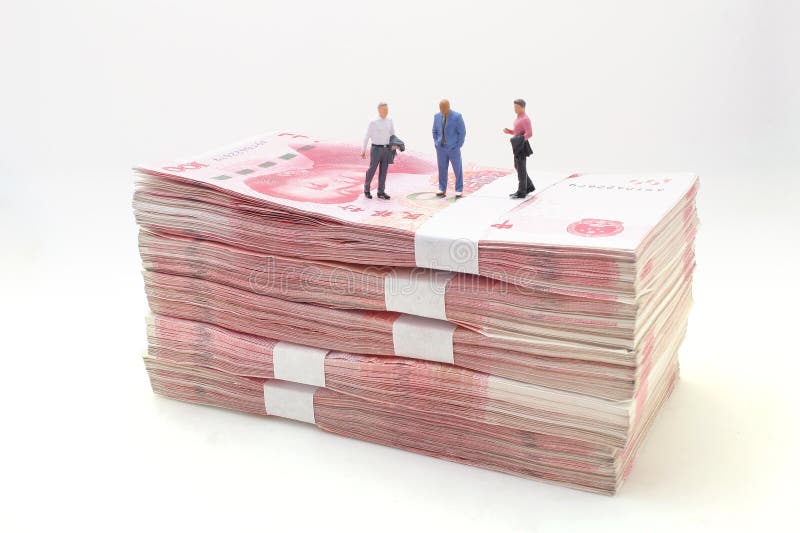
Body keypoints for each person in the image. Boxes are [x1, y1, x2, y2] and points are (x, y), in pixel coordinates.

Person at [361, 102, 398, 199]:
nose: (386, 111)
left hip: (386, 149)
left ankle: (381, 192)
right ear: (379, 110)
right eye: (384, 110)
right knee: (372, 169)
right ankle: (367, 189)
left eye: (387, 110)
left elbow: (392, 134)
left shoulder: (390, 120)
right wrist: (363, 150)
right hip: (376, 149)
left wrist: (395, 144)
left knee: (384, 171)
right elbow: (367, 136)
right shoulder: (374, 122)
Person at [431, 99, 466, 198]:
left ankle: (459, 189)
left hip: (453, 148)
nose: (442, 110)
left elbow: (462, 132)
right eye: (440, 108)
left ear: (448, 106)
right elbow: (434, 131)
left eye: (444, 108)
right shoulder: (437, 116)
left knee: (457, 168)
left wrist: (457, 146)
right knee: (442, 168)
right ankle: (442, 188)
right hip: (441, 148)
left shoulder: (457, 117)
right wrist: (436, 142)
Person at [503, 98, 535, 199]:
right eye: (514, 107)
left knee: (521, 168)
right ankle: (529, 186)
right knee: (518, 166)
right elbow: (518, 131)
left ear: (522, 107)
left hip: (521, 145)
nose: (515, 109)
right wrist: (510, 132)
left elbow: (529, 133)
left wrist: (520, 140)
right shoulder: (518, 117)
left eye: (517, 107)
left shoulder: (525, 119)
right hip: (517, 145)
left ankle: (521, 192)